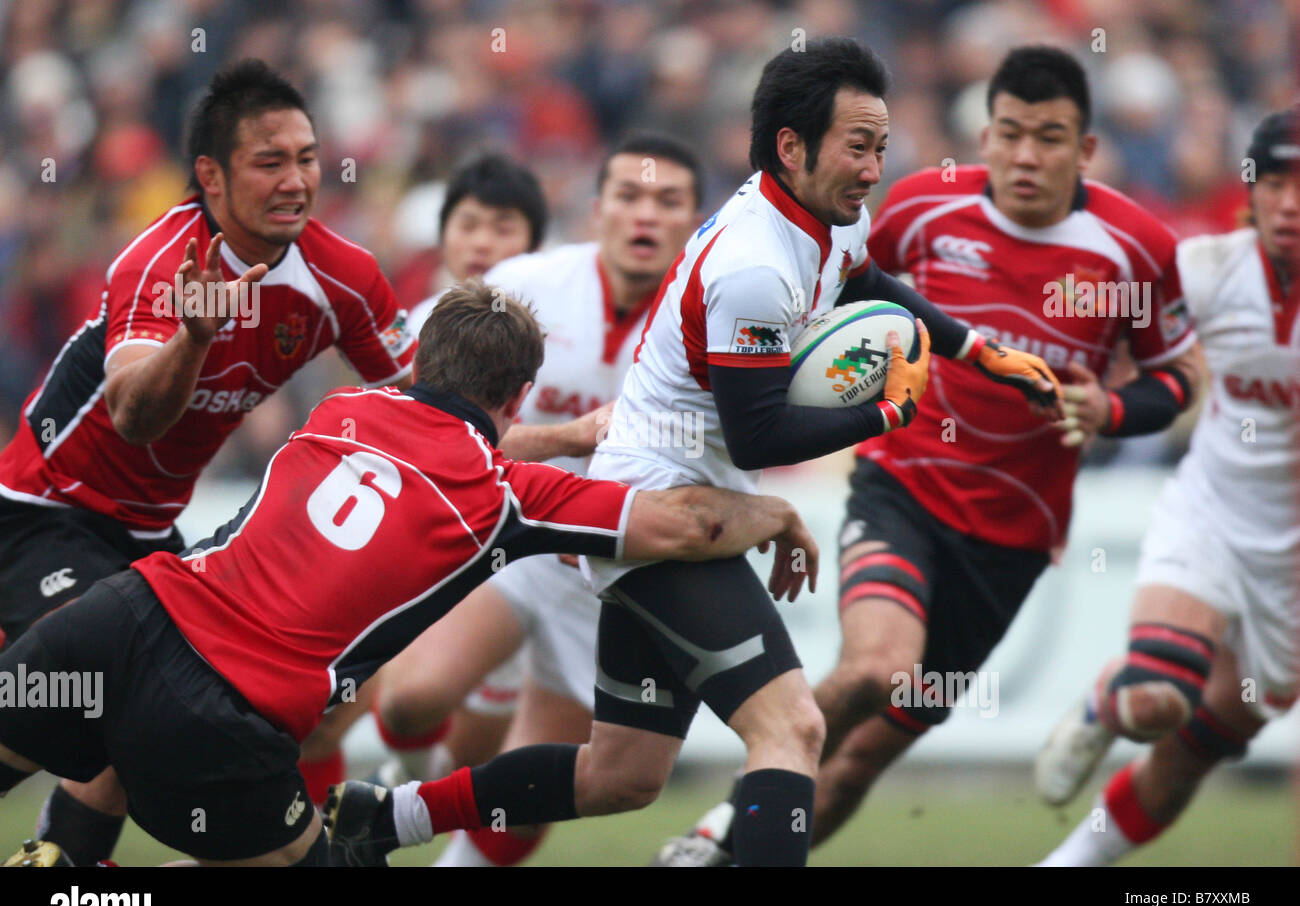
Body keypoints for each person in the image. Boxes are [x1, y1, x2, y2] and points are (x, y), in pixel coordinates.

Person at [325, 37, 1061, 868]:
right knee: (793, 728)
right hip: (663, 512)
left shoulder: (816, 219)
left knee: (622, 773)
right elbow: (761, 435)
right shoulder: (752, 265)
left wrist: (978, 354)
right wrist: (889, 410)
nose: (873, 169)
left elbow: (868, 282)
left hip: (668, 505)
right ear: (792, 146)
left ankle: (383, 820)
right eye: (858, 146)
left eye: (881, 148)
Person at [0, 279, 819, 867]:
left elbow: (427, 442)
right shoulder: (503, 494)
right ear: (520, 395)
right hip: (225, 712)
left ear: (420, 357)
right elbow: (685, 527)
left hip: (126, 616)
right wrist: (775, 513)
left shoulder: (341, 410)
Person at [655, 45, 1201, 866]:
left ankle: (743, 853)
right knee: (876, 666)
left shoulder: (1136, 248)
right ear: (984, 137)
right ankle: (720, 831)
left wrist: (1112, 409)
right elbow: (831, 289)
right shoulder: (918, 209)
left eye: (1049, 137)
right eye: (1010, 133)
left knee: (866, 757)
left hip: (1014, 538)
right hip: (901, 490)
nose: (1025, 155)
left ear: (1086, 149)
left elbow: (1180, 375)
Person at [0, 59, 416, 866]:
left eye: (306, 157)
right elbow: (134, 416)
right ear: (211, 177)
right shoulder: (158, 264)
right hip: (45, 513)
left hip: (149, 536)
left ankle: (58, 868)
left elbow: (430, 414)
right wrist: (193, 338)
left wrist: (566, 447)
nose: (296, 180)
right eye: (271, 162)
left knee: (141, 709)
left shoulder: (344, 276)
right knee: (103, 693)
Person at [363, 132, 704, 868]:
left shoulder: (717, 321)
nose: (646, 214)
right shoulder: (528, 286)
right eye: (631, 195)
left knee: (526, 809)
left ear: (695, 220)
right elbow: (427, 419)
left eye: (668, 200)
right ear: (598, 208)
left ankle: (425, 833)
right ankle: (397, 796)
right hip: (522, 545)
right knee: (408, 699)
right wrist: (570, 436)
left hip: (617, 582)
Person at [1034, 106, 1299, 866]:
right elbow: (1103, 311)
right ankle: (1104, 707)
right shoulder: (1212, 270)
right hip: (1212, 517)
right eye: (1275, 182)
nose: (1289, 203)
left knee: (1194, 752)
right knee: (1154, 702)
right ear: (1250, 190)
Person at [294, 151, 561, 806]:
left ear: (535, 244)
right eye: (468, 224)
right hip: (409, 554)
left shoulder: (561, 334)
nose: (483, 242)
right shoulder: (407, 331)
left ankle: (396, 794)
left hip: (520, 567)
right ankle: (330, 842)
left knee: (474, 765)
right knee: (325, 721)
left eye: (504, 227)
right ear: (443, 234)